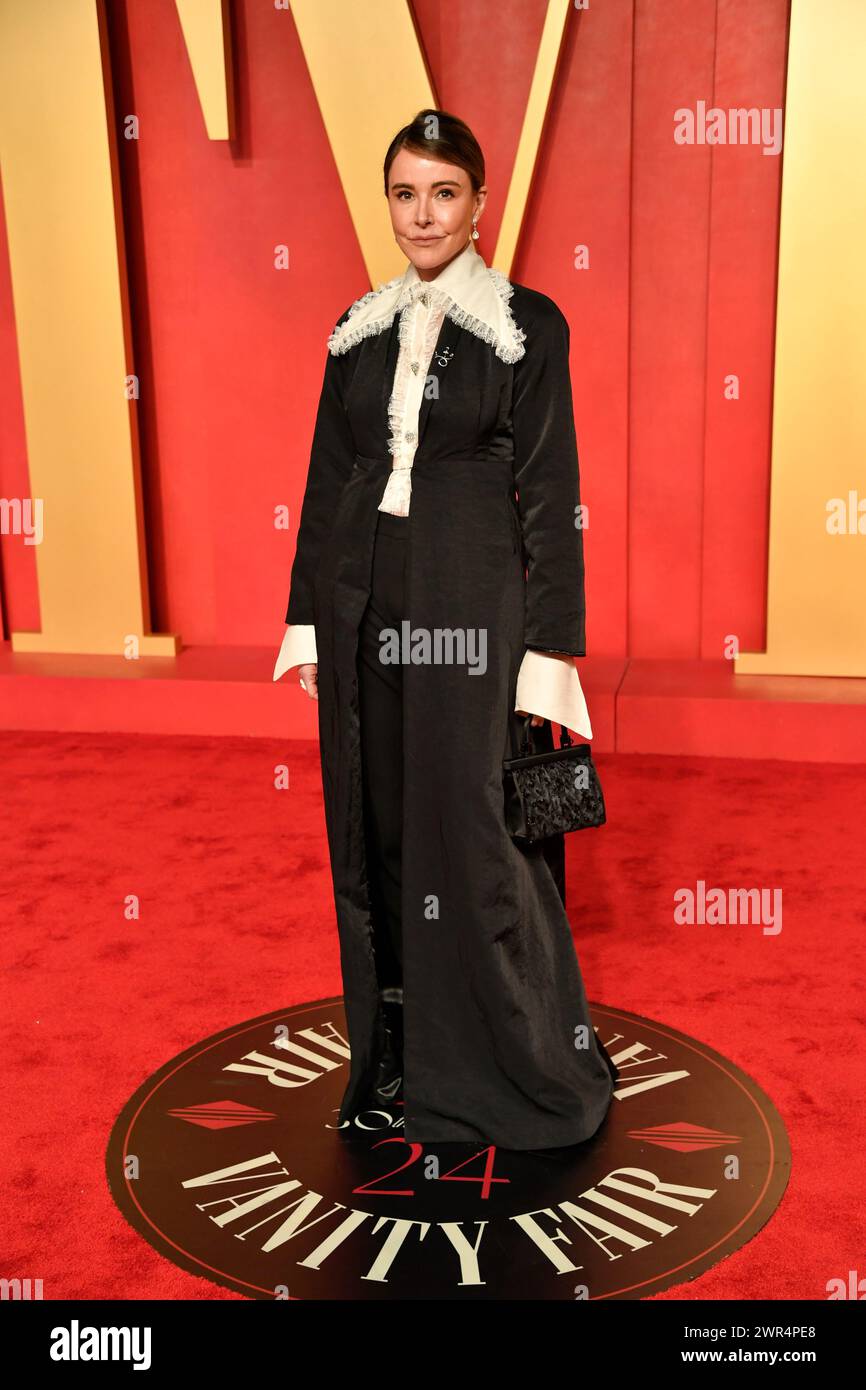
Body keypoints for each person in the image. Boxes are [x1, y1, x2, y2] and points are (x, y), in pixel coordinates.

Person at [274, 108, 618, 1150]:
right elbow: (327, 480)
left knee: (472, 830)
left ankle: (508, 1063)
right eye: (403, 193)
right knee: (374, 819)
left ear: (479, 204)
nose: (420, 214)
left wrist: (550, 646)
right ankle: (394, 1058)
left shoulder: (526, 324)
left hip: (471, 608)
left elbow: (548, 492)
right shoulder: (357, 327)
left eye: (442, 193)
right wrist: (304, 616)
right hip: (362, 595)